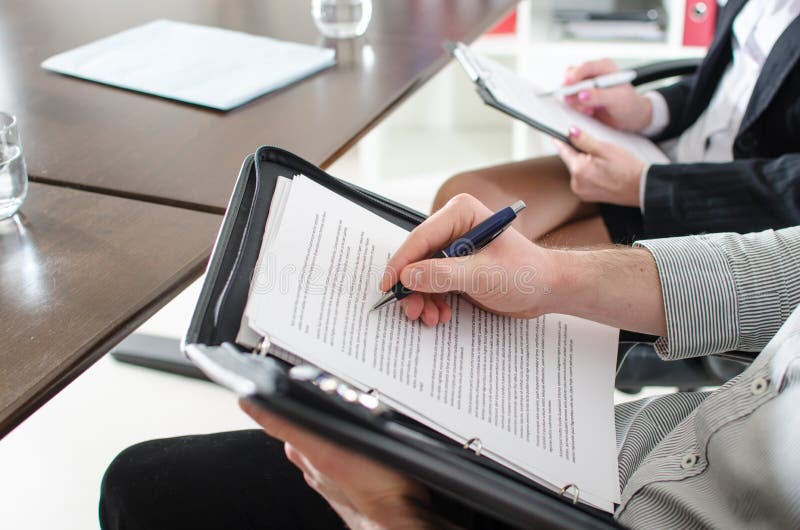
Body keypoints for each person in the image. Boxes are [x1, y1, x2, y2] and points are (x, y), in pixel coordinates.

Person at [100, 194, 800, 529]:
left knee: (156, 498)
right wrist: (553, 277)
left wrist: (382, 511)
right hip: (615, 453)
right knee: (145, 483)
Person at [434, 0, 800, 247]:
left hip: (726, 206)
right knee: (461, 208)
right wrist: (644, 110)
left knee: (503, 271)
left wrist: (643, 185)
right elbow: (730, 81)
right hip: (662, 155)